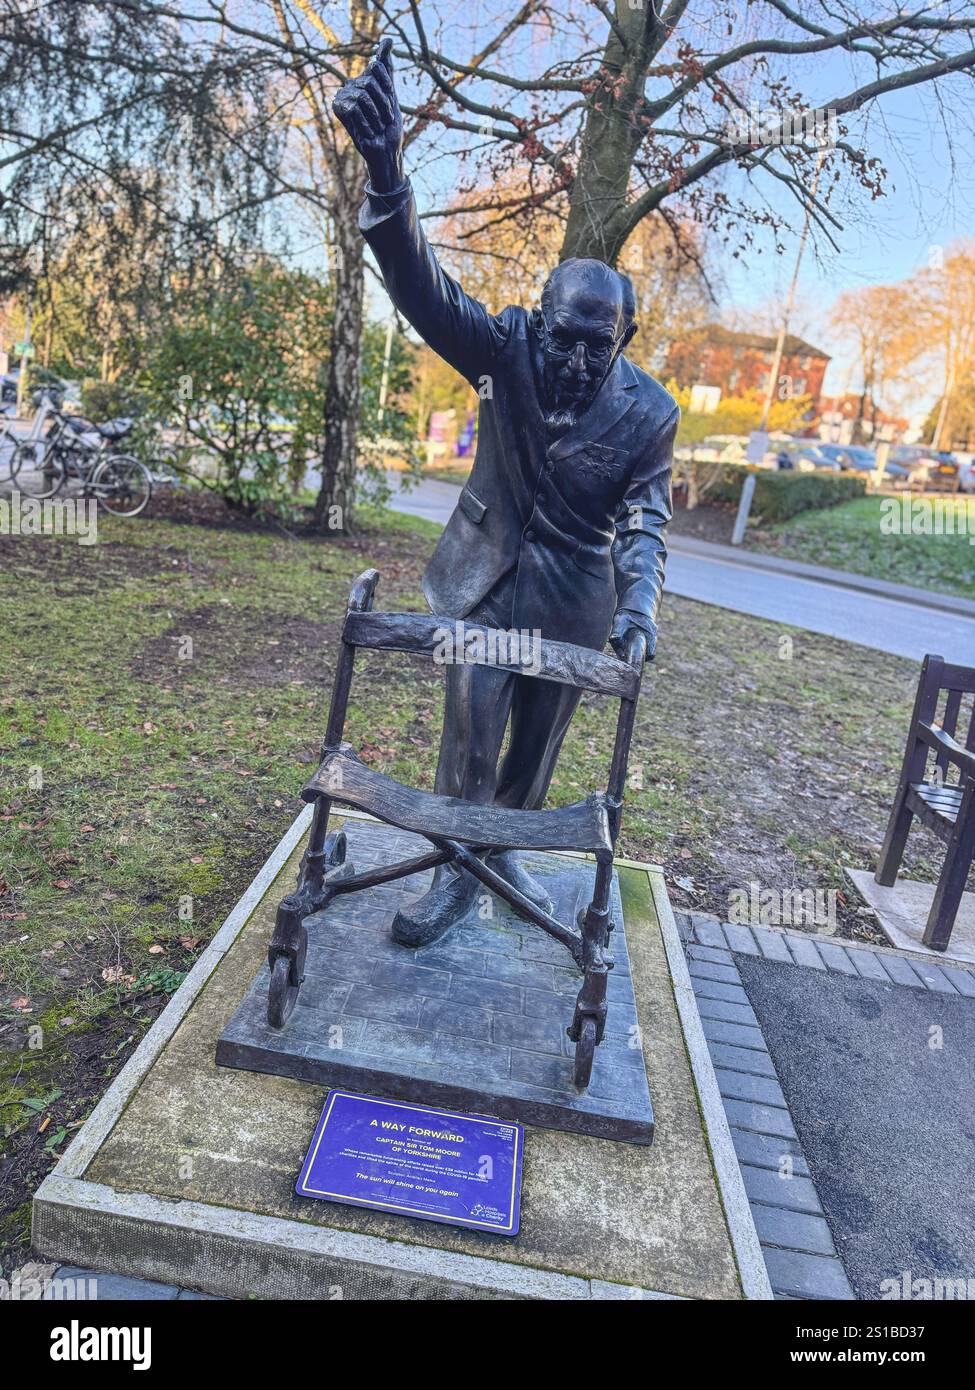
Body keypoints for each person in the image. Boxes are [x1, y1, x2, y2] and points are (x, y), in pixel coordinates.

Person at [334, 40, 679, 945]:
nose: (570, 360)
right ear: (542, 317)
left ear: (622, 339)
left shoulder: (651, 414)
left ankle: (499, 848)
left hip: (573, 606)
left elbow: (645, 519)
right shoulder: (505, 347)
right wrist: (387, 174)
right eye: (561, 337)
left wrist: (637, 607)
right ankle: (455, 869)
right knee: (470, 734)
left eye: (592, 347)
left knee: (532, 758)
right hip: (481, 585)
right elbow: (421, 288)